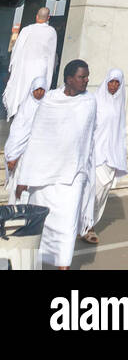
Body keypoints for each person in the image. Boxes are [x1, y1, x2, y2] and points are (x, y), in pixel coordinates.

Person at [15, 59, 96, 269]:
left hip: (72, 176)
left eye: (87, 76)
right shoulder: (50, 100)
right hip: (44, 176)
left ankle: (63, 265)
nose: (86, 80)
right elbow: (38, 139)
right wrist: (24, 178)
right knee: (43, 226)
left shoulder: (89, 102)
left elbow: (83, 141)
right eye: (82, 77)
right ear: (69, 79)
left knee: (67, 226)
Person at [79, 69, 127, 245]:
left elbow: (119, 133)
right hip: (96, 155)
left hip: (111, 158)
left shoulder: (119, 104)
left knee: (103, 193)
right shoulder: (95, 100)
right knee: (93, 192)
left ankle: (86, 225)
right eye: (111, 82)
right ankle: (87, 227)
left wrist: (119, 156)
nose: (113, 86)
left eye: (117, 83)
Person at [3, 8, 57, 119]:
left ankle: (17, 116)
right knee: (35, 99)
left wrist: (12, 70)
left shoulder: (26, 30)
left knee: (21, 94)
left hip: (24, 68)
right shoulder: (51, 31)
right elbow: (52, 55)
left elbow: (16, 51)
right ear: (48, 18)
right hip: (41, 70)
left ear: (36, 16)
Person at [3, 75, 46, 202]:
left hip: (38, 154)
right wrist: (12, 156)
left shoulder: (47, 106)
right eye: (36, 89)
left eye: (42, 89)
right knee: (20, 183)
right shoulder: (25, 109)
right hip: (23, 155)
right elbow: (17, 134)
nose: (39, 93)